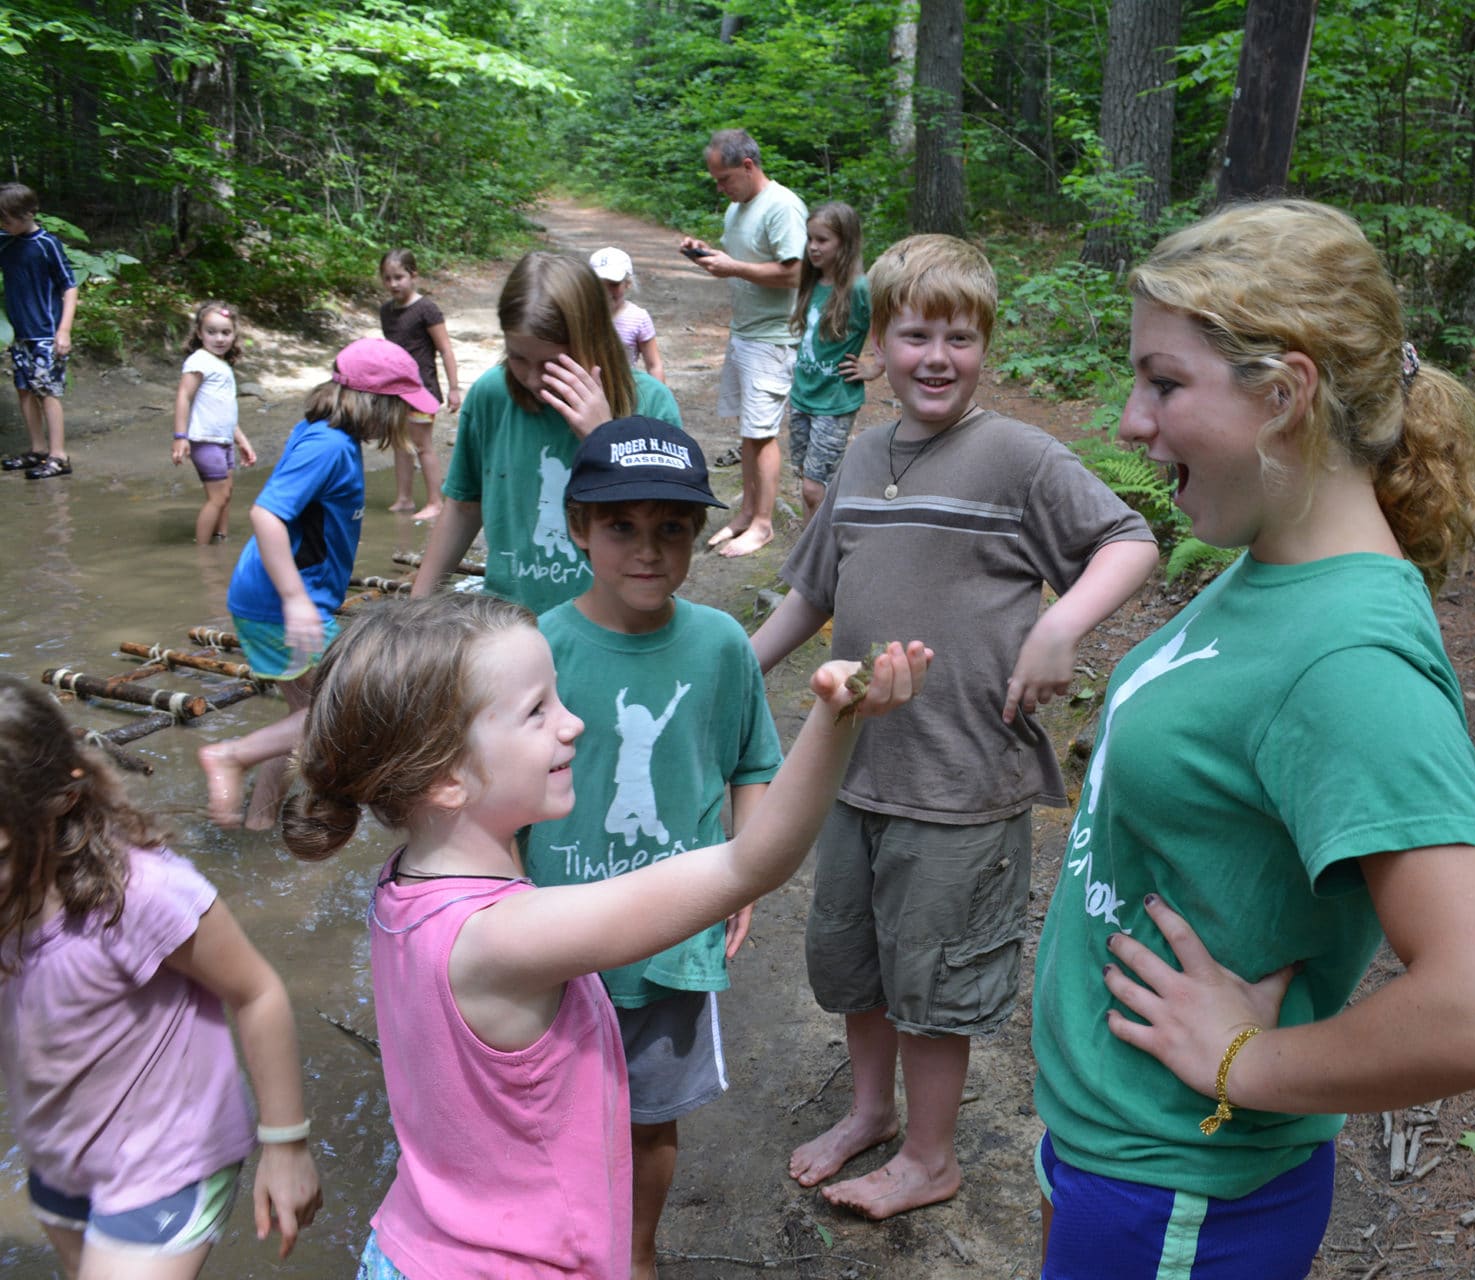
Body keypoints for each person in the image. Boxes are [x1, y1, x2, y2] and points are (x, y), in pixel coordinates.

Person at [1029, 200, 1475, 1279]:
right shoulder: (1270, 562)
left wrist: (1247, 1058)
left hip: (1180, 1191)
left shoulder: (1347, 664)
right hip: (1116, 1147)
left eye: (1164, 382)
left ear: (1287, 393)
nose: (1130, 419)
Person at [282, 593, 930, 1279]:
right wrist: (835, 720)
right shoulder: (506, 939)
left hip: (410, 1246)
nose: (573, 723)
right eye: (538, 711)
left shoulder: (399, 890)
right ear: (445, 777)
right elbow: (751, 862)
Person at [751, 234, 1160, 1220]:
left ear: (987, 347)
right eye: (915, 334)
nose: (937, 356)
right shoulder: (858, 454)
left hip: (964, 781)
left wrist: (1060, 623)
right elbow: (811, 591)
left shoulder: (1018, 458)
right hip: (853, 769)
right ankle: (868, 1111)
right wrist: (729, 669)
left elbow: (1128, 538)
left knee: (935, 981)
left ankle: (932, 1153)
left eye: (960, 337)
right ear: (876, 344)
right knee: (856, 964)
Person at [521, 415, 781, 1279]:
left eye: (672, 530)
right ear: (578, 529)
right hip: (557, 936)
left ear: (699, 536)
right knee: (547, 1110)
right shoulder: (538, 648)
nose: (648, 551)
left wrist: (741, 878)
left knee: (650, 1115)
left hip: (674, 937)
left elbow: (753, 761)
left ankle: (634, 1251)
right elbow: (496, 795)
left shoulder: (720, 646)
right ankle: (554, 1243)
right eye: (622, 527)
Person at [0, 676, 323, 1276]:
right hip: (60, 1158)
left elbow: (255, 993)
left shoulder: (136, 893)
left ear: (62, 798)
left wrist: (287, 1145)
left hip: (168, 1159)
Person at [197, 338, 431, 830]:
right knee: (337, 709)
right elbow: (265, 514)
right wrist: (295, 600)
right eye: (403, 407)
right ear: (378, 404)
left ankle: (259, 821)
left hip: (275, 596)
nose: (408, 419)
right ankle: (230, 755)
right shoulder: (328, 446)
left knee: (302, 722)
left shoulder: (325, 432)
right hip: (279, 601)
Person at [410, 251, 681, 616]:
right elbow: (463, 506)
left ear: (593, 340)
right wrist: (415, 611)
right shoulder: (492, 395)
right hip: (512, 625)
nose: (535, 379)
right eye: (518, 358)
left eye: (553, 364)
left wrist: (603, 439)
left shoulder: (650, 403)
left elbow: (666, 529)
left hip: (620, 627)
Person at [678, 128, 807, 559]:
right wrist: (708, 254)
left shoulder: (782, 207)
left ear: (748, 166)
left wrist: (731, 267)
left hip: (774, 337)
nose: (720, 187)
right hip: (745, 333)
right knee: (748, 432)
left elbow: (796, 273)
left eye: (724, 178)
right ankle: (747, 512)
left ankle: (764, 525)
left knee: (763, 432)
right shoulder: (738, 208)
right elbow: (747, 260)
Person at [787, 202, 878, 525]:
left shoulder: (860, 288)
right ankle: (811, 550)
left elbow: (890, 328)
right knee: (807, 478)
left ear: (846, 242)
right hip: (803, 396)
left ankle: (820, 562)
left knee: (814, 487)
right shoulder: (812, 281)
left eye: (823, 240)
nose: (813, 247)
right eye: (810, 238)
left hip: (835, 401)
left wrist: (875, 366)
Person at [0, 183, 79, 480]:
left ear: (28, 213)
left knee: (47, 392)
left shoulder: (47, 244)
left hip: (46, 333)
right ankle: (38, 449)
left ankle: (59, 456)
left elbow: (69, 287)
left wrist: (65, 330)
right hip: (19, 333)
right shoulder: (5, 241)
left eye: (7, 219)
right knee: (24, 389)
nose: (4, 225)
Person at [377, 249, 462, 522]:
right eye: (387, 278)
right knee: (400, 444)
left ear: (414, 276)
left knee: (422, 445)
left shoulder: (426, 309)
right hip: (396, 389)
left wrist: (454, 388)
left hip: (422, 389)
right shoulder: (386, 312)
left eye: (399, 277)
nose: (393, 284)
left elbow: (445, 349)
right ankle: (404, 498)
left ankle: (436, 502)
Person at [171, 301, 259, 544]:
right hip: (205, 440)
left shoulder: (221, 365)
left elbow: (226, 412)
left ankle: (221, 538)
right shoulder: (199, 360)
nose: (219, 338)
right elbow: (183, 396)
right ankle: (203, 553)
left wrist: (242, 441)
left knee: (226, 494)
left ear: (234, 334)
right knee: (217, 498)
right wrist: (180, 437)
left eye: (226, 332)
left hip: (223, 440)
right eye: (212, 332)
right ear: (199, 333)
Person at [589, 246, 665, 383]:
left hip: (625, 391)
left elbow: (654, 365)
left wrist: (660, 400)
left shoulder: (638, 318)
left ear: (628, 283)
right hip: (585, 390)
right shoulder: (580, 315)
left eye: (613, 284)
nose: (605, 291)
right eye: (598, 284)